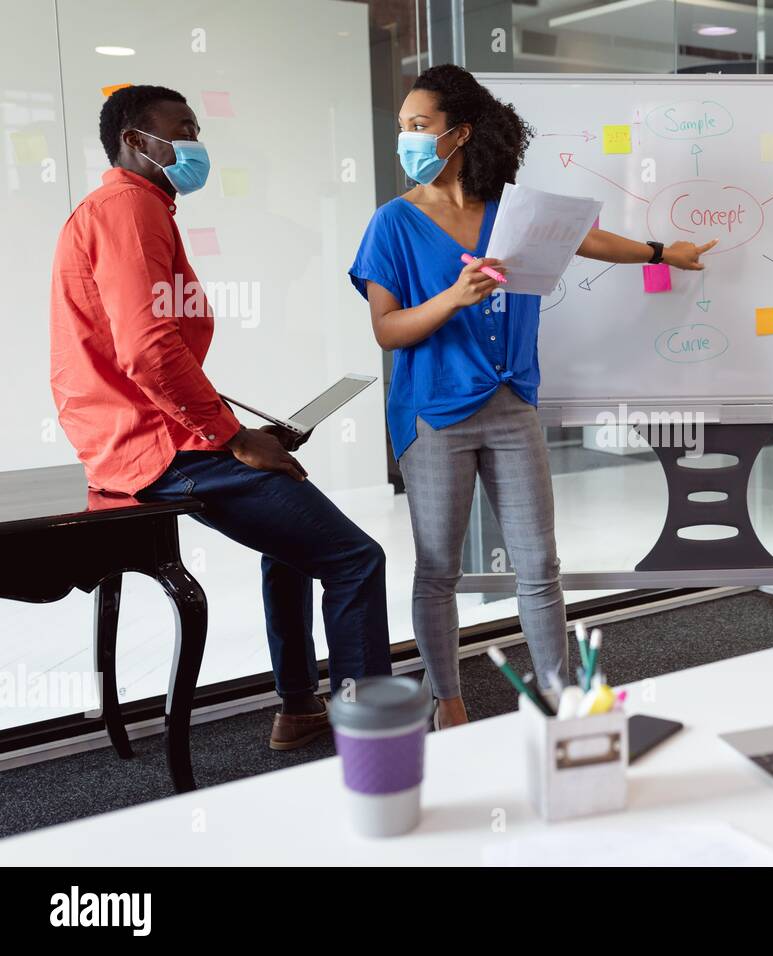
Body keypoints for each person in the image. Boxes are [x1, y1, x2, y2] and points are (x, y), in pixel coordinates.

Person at [349, 64, 716, 729]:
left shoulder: (510, 208)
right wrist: (454, 297)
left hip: (513, 405)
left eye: (417, 126)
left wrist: (664, 252)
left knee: (540, 564)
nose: (404, 138)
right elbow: (385, 329)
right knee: (438, 569)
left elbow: (587, 238)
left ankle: (560, 700)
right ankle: (448, 701)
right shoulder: (393, 224)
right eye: (401, 127)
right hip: (433, 413)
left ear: (458, 133)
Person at [50, 84, 392, 750]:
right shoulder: (127, 209)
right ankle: (372, 738)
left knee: (291, 544)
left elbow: (150, 350)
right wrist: (233, 439)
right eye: (180, 129)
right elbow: (147, 350)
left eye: (196, 128)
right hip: (153, 449)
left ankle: (298, 710)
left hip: (150, 435)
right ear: (133, 140)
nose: (194, 143)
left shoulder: (139, 209)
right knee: (357, 560)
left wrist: (242, 427)